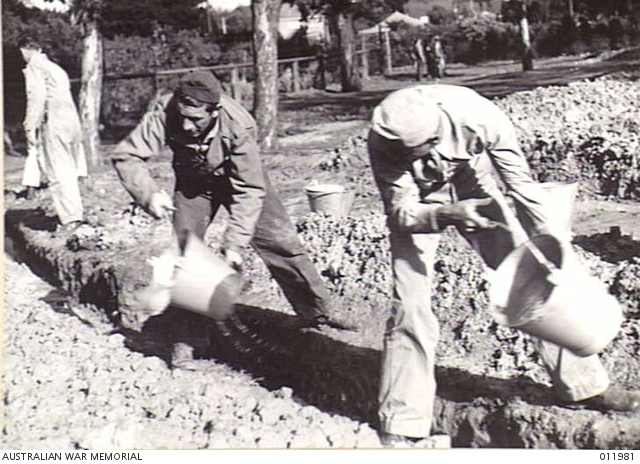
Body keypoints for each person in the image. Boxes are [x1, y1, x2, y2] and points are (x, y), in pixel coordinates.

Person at [367, 84, 640, 447]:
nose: (416, 162)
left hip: (471, 176)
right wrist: (445, 213)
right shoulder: (385, 138)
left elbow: (522, 186)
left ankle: (583, 386)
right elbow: (400, 214)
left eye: (419, 151)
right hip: (419, 203)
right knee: (410, 303)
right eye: (407, 155)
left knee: (529, 281)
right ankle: (402, 418)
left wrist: (557, 250)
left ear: (437, 133)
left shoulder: (480, 117)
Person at [111, 70, 355, 333]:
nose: (185, 127)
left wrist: (234, 243)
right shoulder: (165, 111)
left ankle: (317, 313)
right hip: (194, 183)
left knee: (280, 242)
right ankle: (189, 340)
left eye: (194, 120)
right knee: (187, 254)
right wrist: (149, 194)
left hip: (240, 179)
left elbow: (248, 189)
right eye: (182, 117)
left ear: (214, 112)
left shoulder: (239, 126)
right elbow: (127, 156)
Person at [20, 41, 86, 229]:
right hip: (72, 120)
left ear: (25, 51)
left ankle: (71, 218)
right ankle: (75, 212)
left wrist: (29, 127)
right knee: (70, 168)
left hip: (55, 121)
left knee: (58, 170)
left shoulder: (34, 66)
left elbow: (36, 98)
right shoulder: (55, 67)